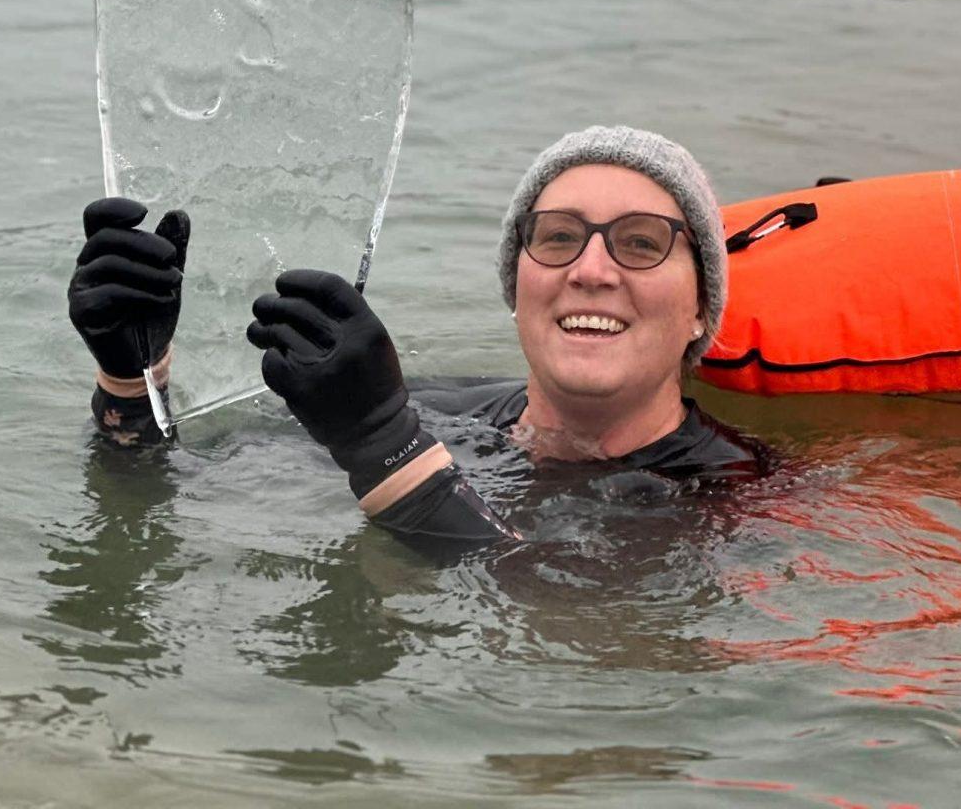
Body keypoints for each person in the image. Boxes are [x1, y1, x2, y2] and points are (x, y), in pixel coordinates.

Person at [68, 126, 767, 548]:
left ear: (702, 307)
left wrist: (383, 449)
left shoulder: (734, 493)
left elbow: (557, 611)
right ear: (516, 287)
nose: (590, 270)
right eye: (557, 238)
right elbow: (155, 493)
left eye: (640, 244)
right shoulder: (428, 412)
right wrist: (132, 381)